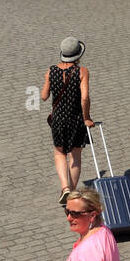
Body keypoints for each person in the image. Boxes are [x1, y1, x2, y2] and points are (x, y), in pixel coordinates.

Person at [41, 37, 94, 205]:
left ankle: (65, 188)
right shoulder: (82, 72)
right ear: (78, 55)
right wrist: (87, 118)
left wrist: (48, 81)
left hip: (57, 119)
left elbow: (43, 96)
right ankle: (72, 189)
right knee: (75, 156)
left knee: (59, 153)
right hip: (75, 119)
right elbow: (84, 98)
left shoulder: (51, 71)